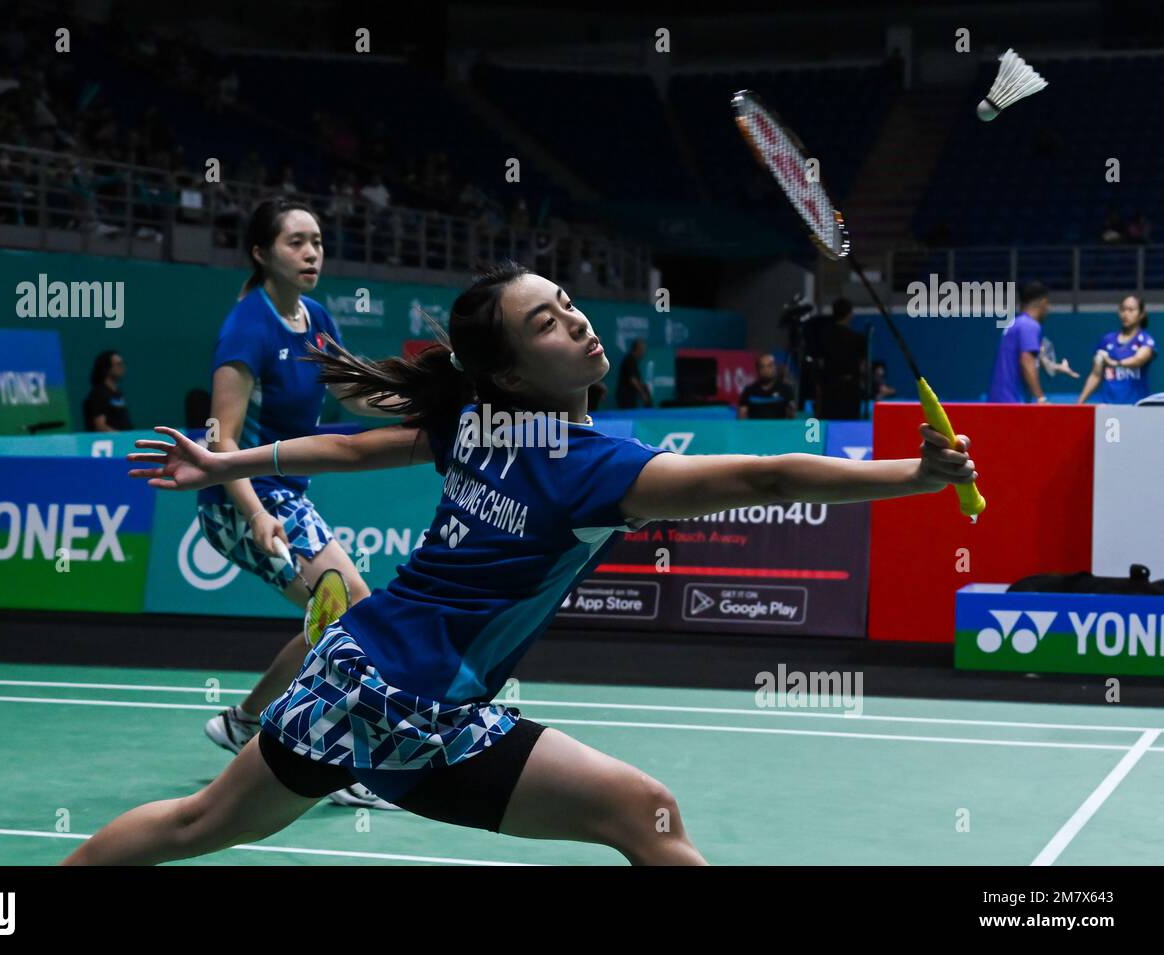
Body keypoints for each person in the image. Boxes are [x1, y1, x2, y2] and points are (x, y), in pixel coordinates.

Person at [64, 263, 978, 866]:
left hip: (423, 700)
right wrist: (915, 474)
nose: (576, 323)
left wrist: (228, 463)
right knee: (195, 825)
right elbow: (765, 474)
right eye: (546, 323)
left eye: (569, 305)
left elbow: (356, 452)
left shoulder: (485, 421)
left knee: (641, 810)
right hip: (379, 691)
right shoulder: (594, 469)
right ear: (507, 370)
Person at [196, 197, 403, 810]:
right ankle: (338, 762)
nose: (312, 252)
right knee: (351, 610)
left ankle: (245, 722)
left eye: (316, 240)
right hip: (240, 496)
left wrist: (429, 414)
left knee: (334, 620)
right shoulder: (245, 329)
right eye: (296, 242)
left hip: (283, 490)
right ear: (261, 254)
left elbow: (356, 398)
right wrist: (257, 515)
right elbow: (220, 442)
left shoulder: (314, 316)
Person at [1077, 294, 1156, 405]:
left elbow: (1138, 360)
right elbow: (1096, 375)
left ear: (1141, 314)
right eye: (1123, 309)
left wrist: (1113, 363)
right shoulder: (1107, 340)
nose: (1125, 314)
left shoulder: (1145, 340)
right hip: (1108, 407)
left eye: (1131, 310)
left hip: (1136, 407)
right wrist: (1080, 402)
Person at [987, 281, 1051, 403]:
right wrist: (1041, 399)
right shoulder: (1030, 326)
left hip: (998, 400)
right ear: (1043, 302)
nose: (1049, 309)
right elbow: (1027, 361)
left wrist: (1055, 367)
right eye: (1048, 304)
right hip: (1013, 402)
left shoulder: (1015, 323)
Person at [815, 298, 866, 419]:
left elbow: (819, 363)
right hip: (850, 391)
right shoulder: (858, 339)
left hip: (829, 390)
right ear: (849, 314)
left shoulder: (822, 336)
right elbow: (862, 365)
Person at [83, 351, 132, 431]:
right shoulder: (98, 394)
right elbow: (101, 427)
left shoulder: (117, 393)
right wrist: (122, 438)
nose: (122, 367)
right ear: (106, 367)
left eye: (123, 364)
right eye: (118, 364)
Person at [737, 353, 796, 419]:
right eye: (762, 367)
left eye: (769, 366)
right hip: (754, 428)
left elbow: (791, 416)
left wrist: (791, 410)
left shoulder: (786, 389)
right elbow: (741, 416)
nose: (766, 370)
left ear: (775, 367)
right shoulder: (749, 391)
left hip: (778, 429)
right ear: (757, 369)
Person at [615, 338, 651, 409]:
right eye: (642, 349)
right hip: (625, 397)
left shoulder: (633, 360)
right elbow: (633, 380)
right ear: (637, 349)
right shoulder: (630, 360)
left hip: (629, 396)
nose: (644, 352)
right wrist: (643, 393)